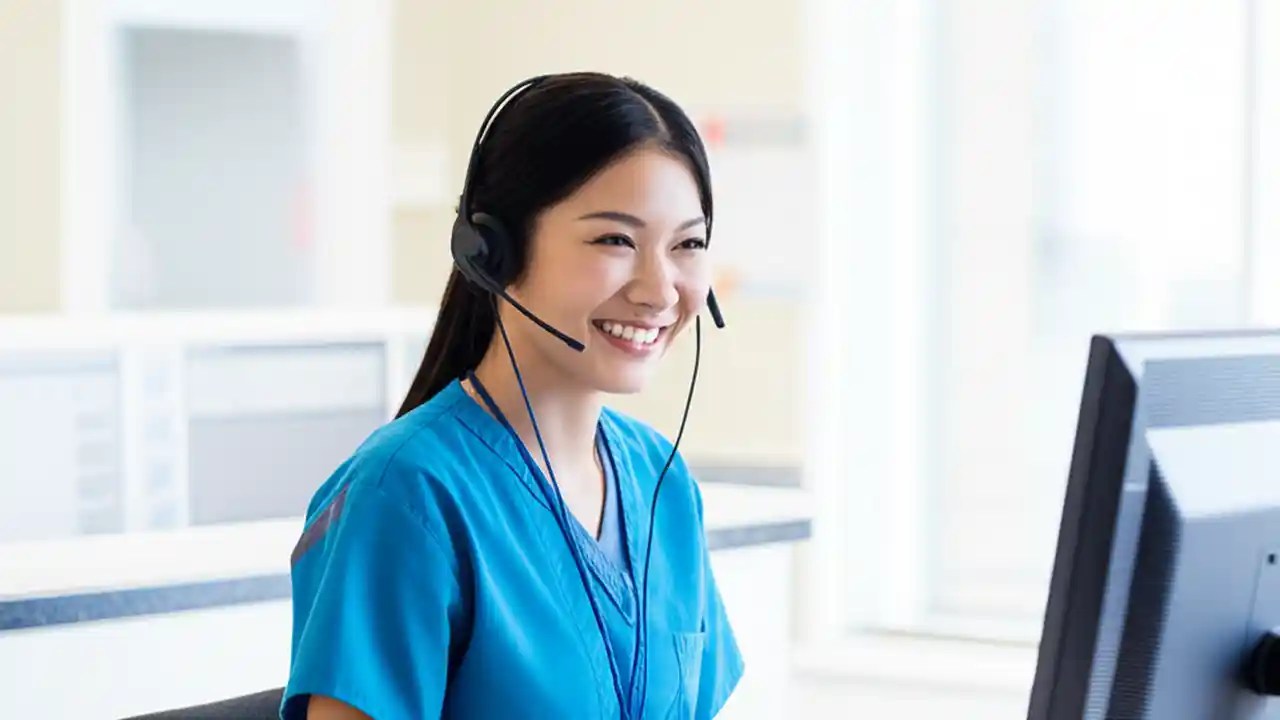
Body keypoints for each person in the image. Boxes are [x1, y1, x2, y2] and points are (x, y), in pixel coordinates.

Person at [280, 72, 744, 720]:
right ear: (492, 253)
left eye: (687, 245)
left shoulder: (662, 483)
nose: (659, 289)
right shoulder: (406, 495)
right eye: (615, 240)